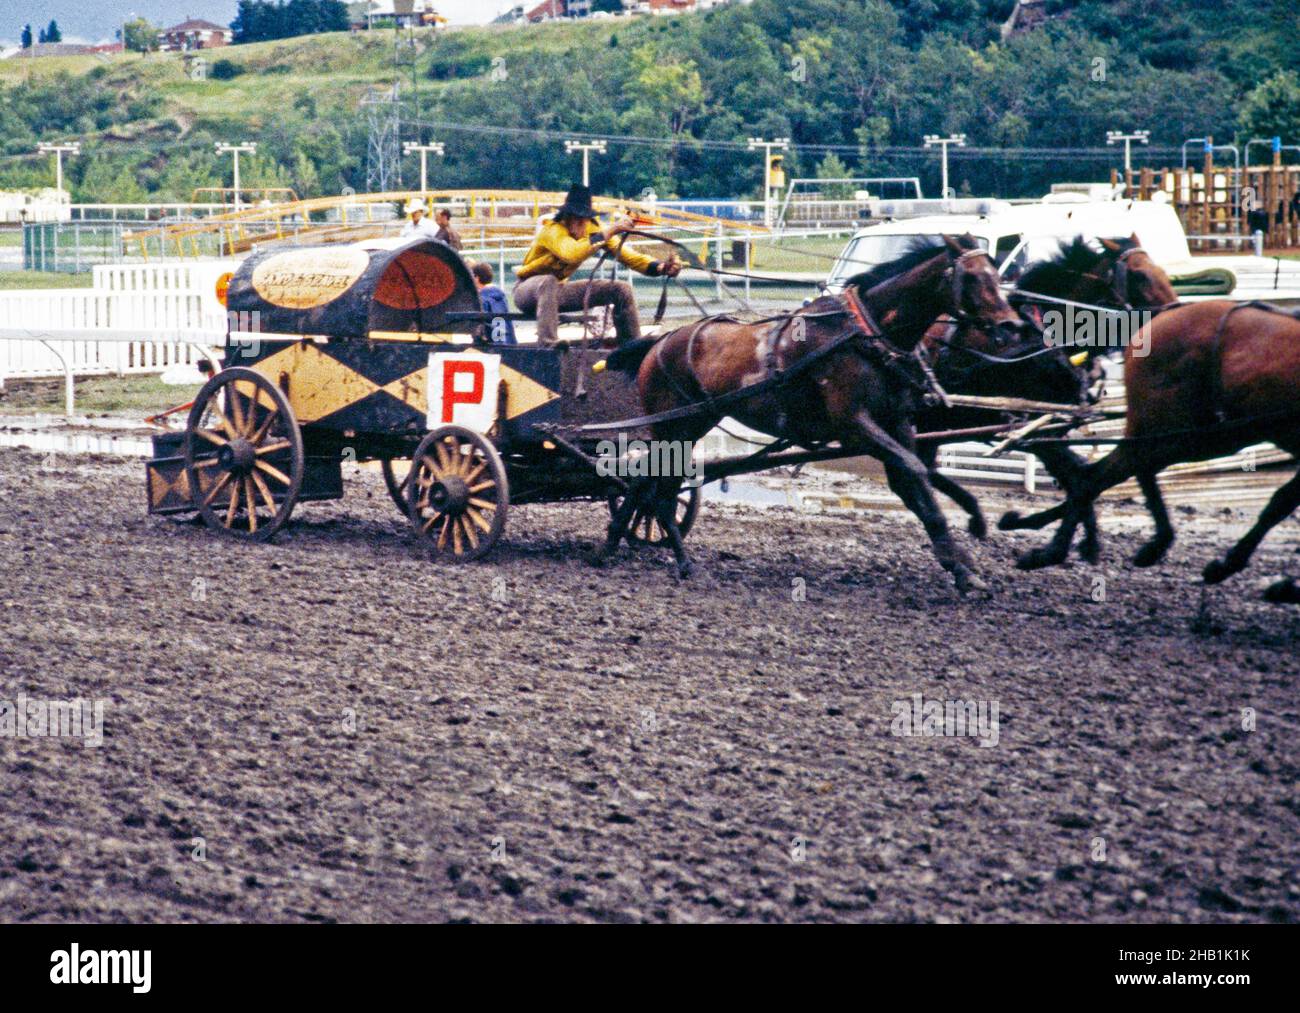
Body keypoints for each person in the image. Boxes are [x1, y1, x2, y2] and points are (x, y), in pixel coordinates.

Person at [513, 183, 681, 347]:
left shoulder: (596, 230)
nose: (577, 225)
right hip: (527, 292)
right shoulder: (552, 231)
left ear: (588, 219)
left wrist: (660, 268)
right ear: (565, 216)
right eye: (573, 218)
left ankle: (632, 348)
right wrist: (610, 231)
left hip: (557, 291)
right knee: (548, 281)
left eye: (582, 220)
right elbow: (571, 254)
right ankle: (548, 344)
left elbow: (629, 257)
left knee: (621, 289)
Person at [472, 261, 516, 345]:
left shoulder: (482, 298)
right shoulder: (500, 295)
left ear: (476, 278)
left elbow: (479, 329)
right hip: (509, 342)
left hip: (492, 346)